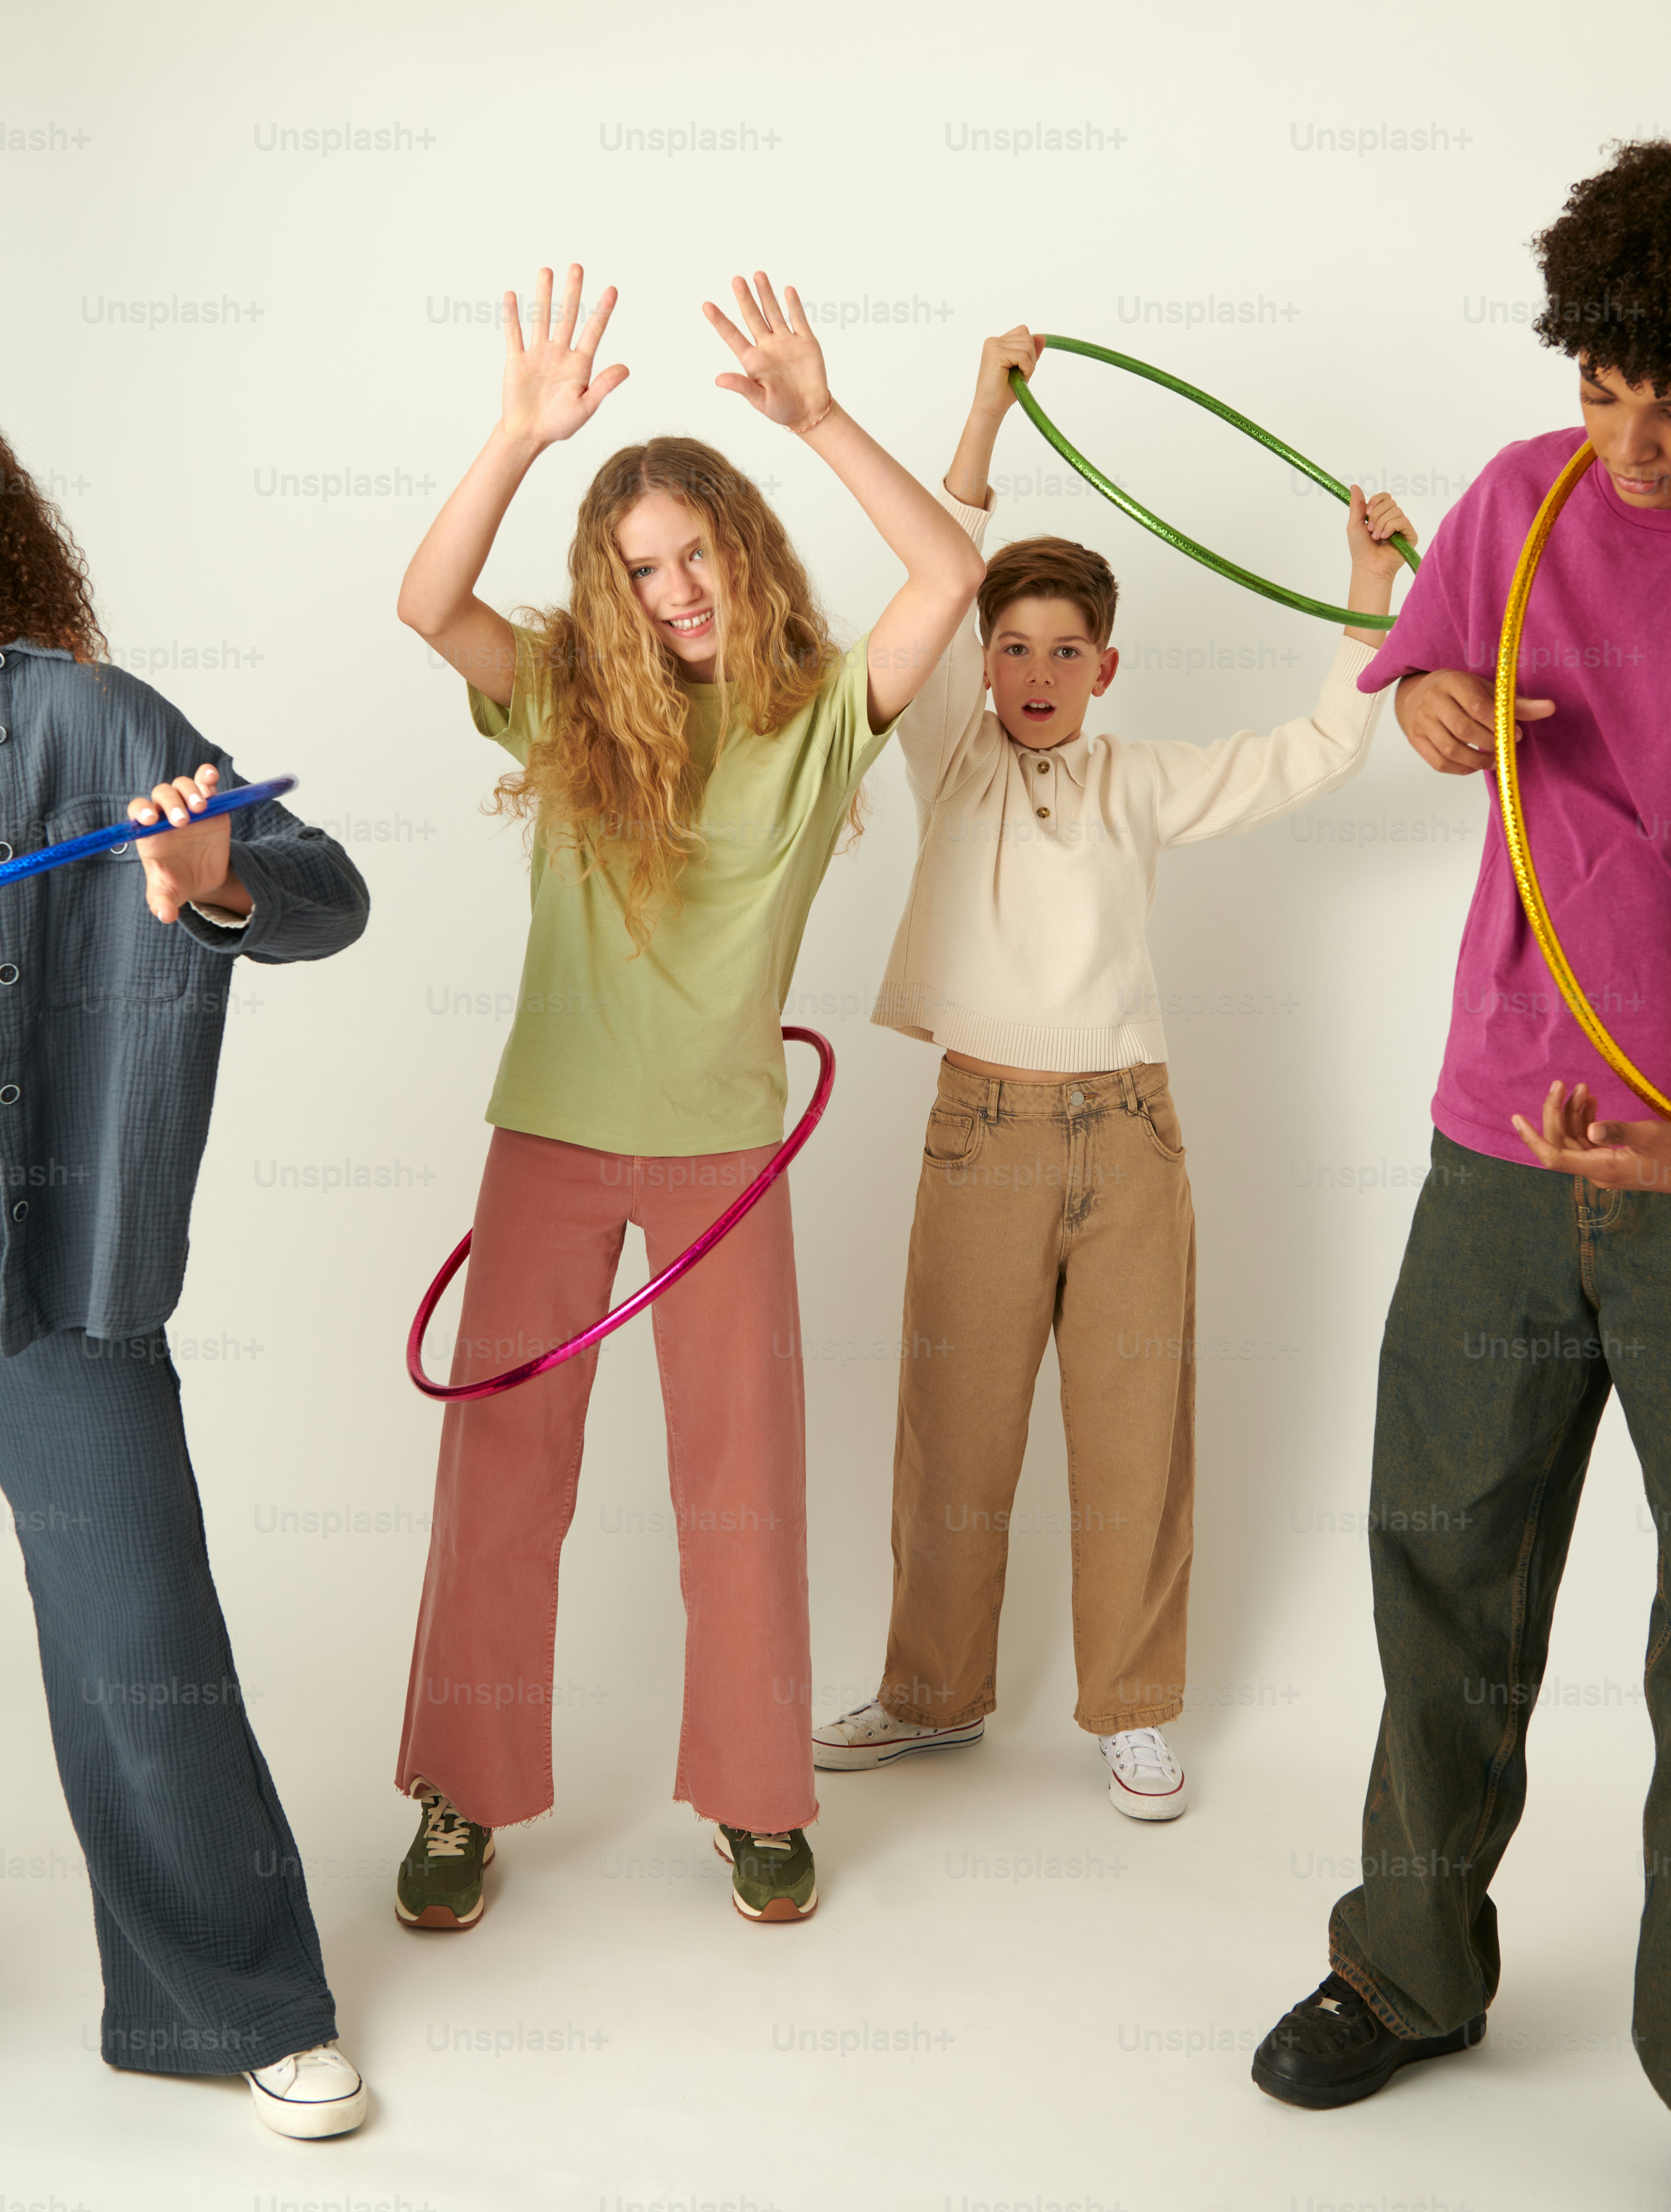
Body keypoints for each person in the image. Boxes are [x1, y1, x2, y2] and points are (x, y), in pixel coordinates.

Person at [391, 263, 984, 1928]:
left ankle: (753, 1793)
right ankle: (464, 1790)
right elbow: (426, 603)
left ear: (741, 542)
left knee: (739, 1477)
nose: (670, 593)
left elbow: (949, 571)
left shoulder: (816, 720)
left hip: (725, 1149)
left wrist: (820, 415)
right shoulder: (571, 694)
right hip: (554, 1135)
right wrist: (516, 437)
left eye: (691, 555)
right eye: (638, 570)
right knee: (505, 1468)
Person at [811, 328, 1411, 1818]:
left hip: (1132, 1135)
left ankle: (1132, 1707)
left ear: (1106, 665)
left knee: (1138, 1425)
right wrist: (983, 411)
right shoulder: (947, 745)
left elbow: (1318, 752)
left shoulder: (1140, 777)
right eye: (1013, 646)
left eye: (1062, 649)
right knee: (956, 1421)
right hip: (982, 1129)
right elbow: (941, 575)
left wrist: (1369, 587)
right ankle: (931, 1691)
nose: (1030, 671)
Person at [1253, 136, 1671, 2113]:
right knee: (1439, 1562)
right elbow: (1431, 688)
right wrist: (1428, 704)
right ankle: (1410, 1964)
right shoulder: (1525, 494)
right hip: (1501, 1146)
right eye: (1605, 388)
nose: (1635, 442)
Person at [0, 434, 371, 2136]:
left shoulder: (93, 723)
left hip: (58, 1275)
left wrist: (214, 881)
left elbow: (324, 890)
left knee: (138, 1637)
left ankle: (226, 1991)